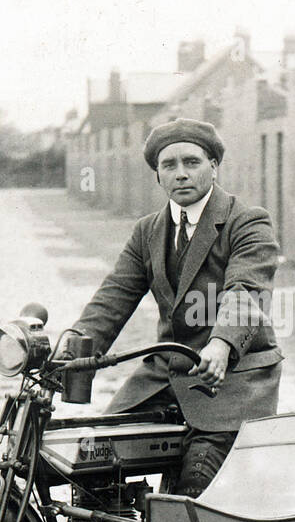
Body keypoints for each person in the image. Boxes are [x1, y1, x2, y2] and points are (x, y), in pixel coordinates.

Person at [70, 118, 283, 496]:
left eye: (192, 162)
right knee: (93, 458)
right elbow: (114, 296)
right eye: (169, 165)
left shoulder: (247, 222)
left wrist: (222, 344)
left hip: (231, 384)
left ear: (213, 166)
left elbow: (246, 291)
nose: (181, 174)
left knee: (195, 486)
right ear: (157, 175)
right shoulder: (148, 231)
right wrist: (71, 348)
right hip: (166, 377)